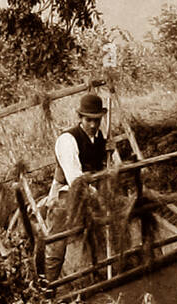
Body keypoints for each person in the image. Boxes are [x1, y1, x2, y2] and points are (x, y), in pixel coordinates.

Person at [41, 92, 119, 281]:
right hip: (67, 193)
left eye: (97, 120)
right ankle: (49, 285)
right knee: (57, 241)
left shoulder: (101, 137)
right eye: (88, 120)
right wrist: (98, 196)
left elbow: (113, 168)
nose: (93, 125)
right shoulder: (67, 140)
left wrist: (111, 151)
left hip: (93, 190)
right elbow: (75, 180)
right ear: (80, 118)